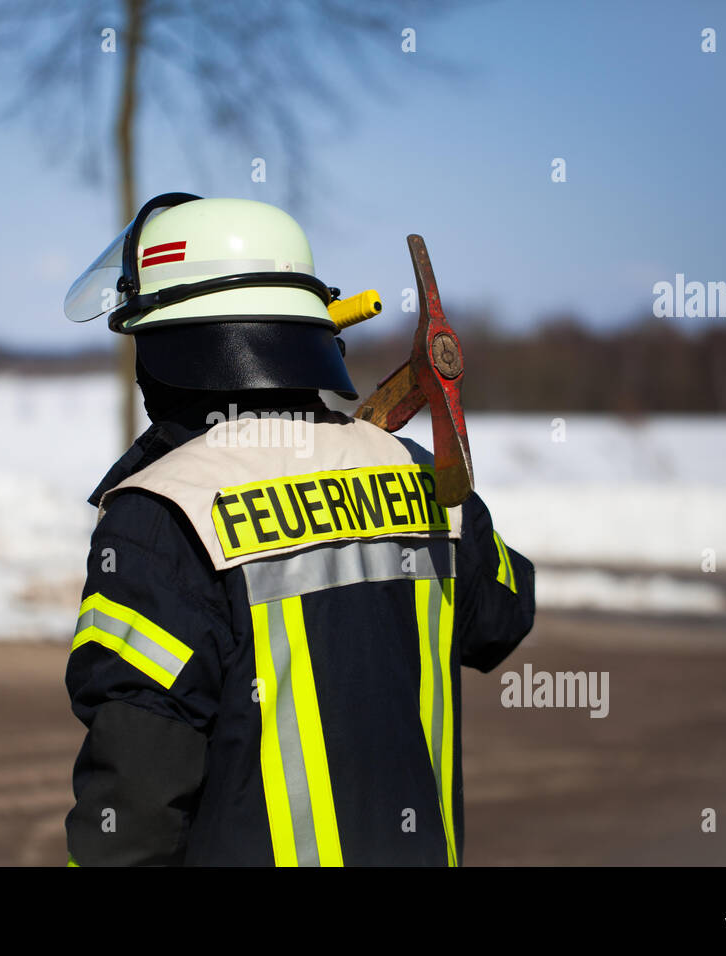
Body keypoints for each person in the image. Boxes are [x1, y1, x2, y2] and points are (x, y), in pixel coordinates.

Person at [62, 193, 535, 865]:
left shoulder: (161, 515)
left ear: (172, 347)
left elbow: (135, 803)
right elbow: (505, 614)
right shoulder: (427, 478)